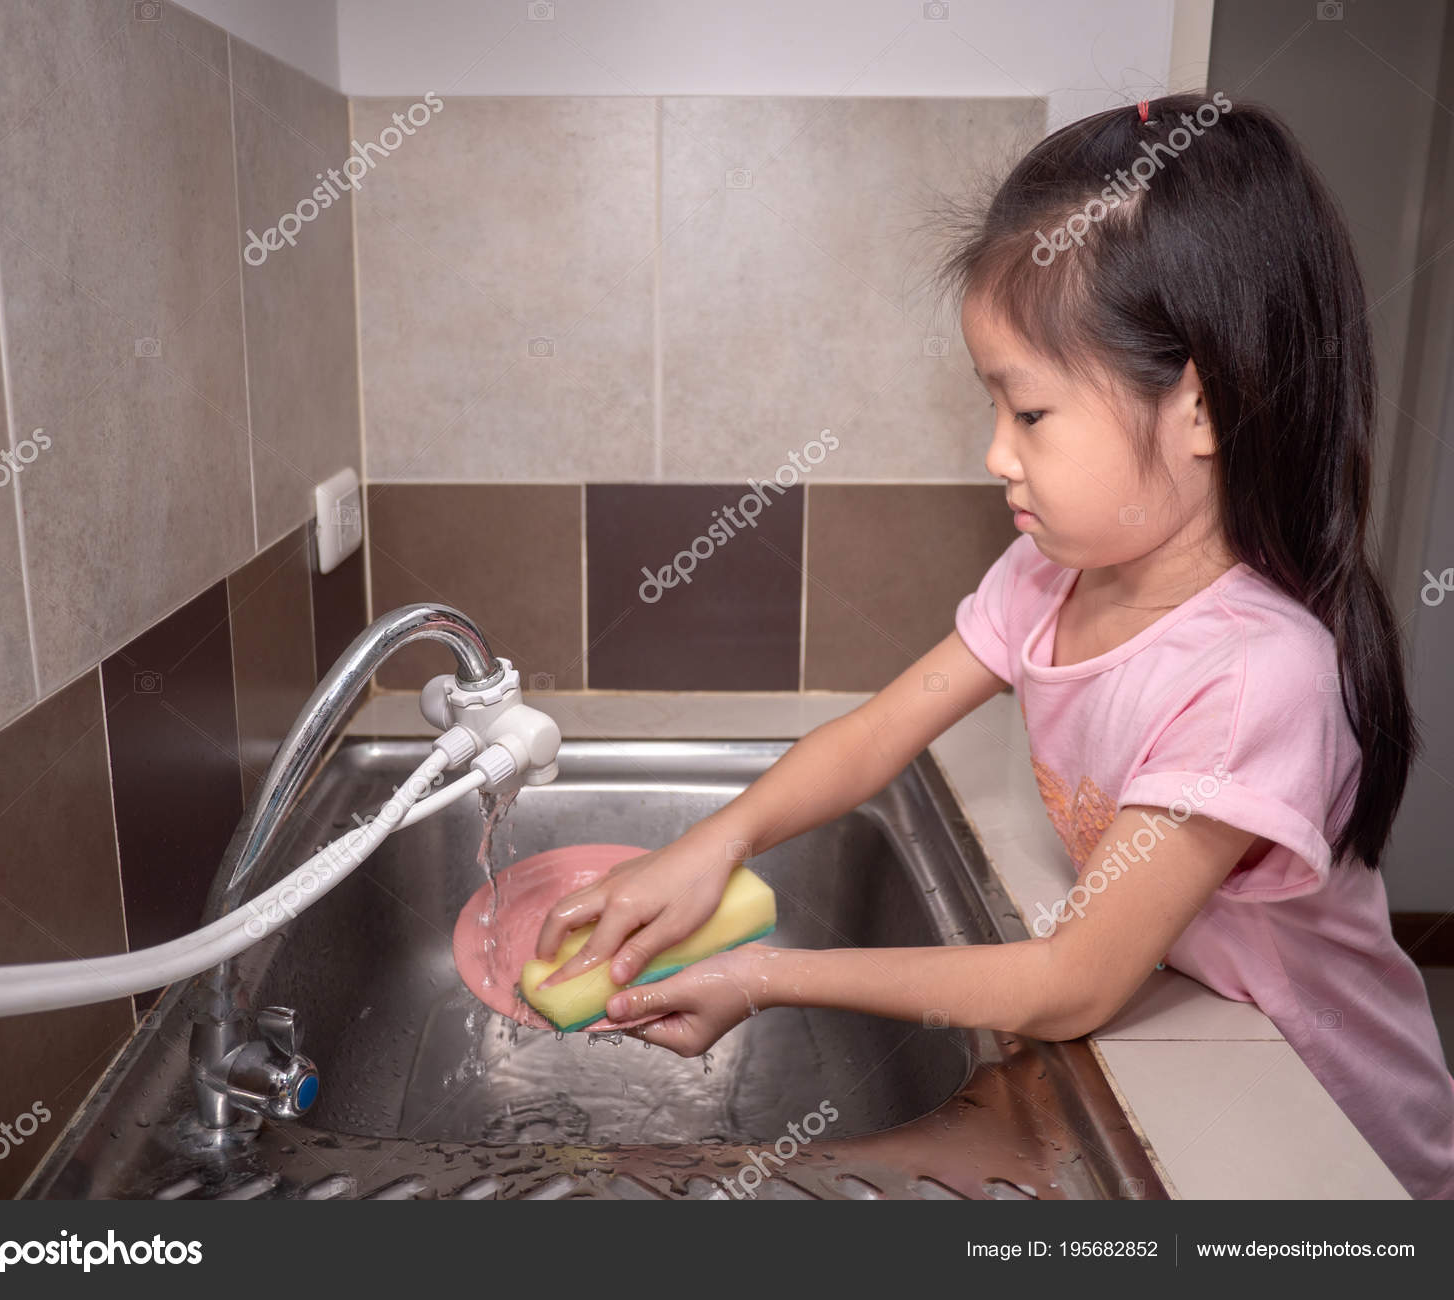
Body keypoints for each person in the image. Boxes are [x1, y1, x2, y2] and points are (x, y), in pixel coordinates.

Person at [535, 94, 1454, 1199]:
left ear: (1197, 407)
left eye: (1027, 414)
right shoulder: (1047, 577)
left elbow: (1071, 982)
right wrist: (713, 843)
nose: (993, 455)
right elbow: (877, 735)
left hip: (1328, 1142)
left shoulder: (1255, 673)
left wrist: (765, 975)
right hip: (1203, 1088)